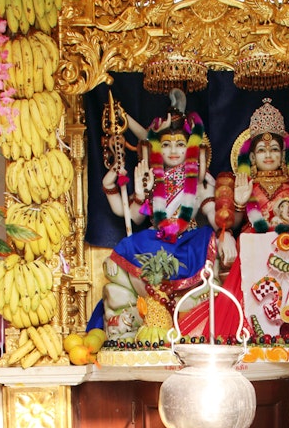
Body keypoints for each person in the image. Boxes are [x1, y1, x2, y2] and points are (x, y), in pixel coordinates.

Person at [178, 98, 289, 341]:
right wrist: (239, 201)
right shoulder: (245, 183)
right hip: (255, 253)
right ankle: (254, 330)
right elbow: (232, 224)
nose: (268, 155)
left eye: (274, 149)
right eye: (261, 150)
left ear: (284, 154)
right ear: (252, 158)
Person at [98, 89, 236, 341]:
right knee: (124, 250)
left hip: (189, 239)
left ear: (192, 149)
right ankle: (132, 324)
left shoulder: (199, 181)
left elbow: (211, 211)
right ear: (156, 150)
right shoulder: (152, 178)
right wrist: (129, 189)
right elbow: (127, 215)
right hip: (157, 238)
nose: (173, 150)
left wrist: (226, 233)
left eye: (180, 144)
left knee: (209, 244)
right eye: (166, 144)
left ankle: (197, 322)